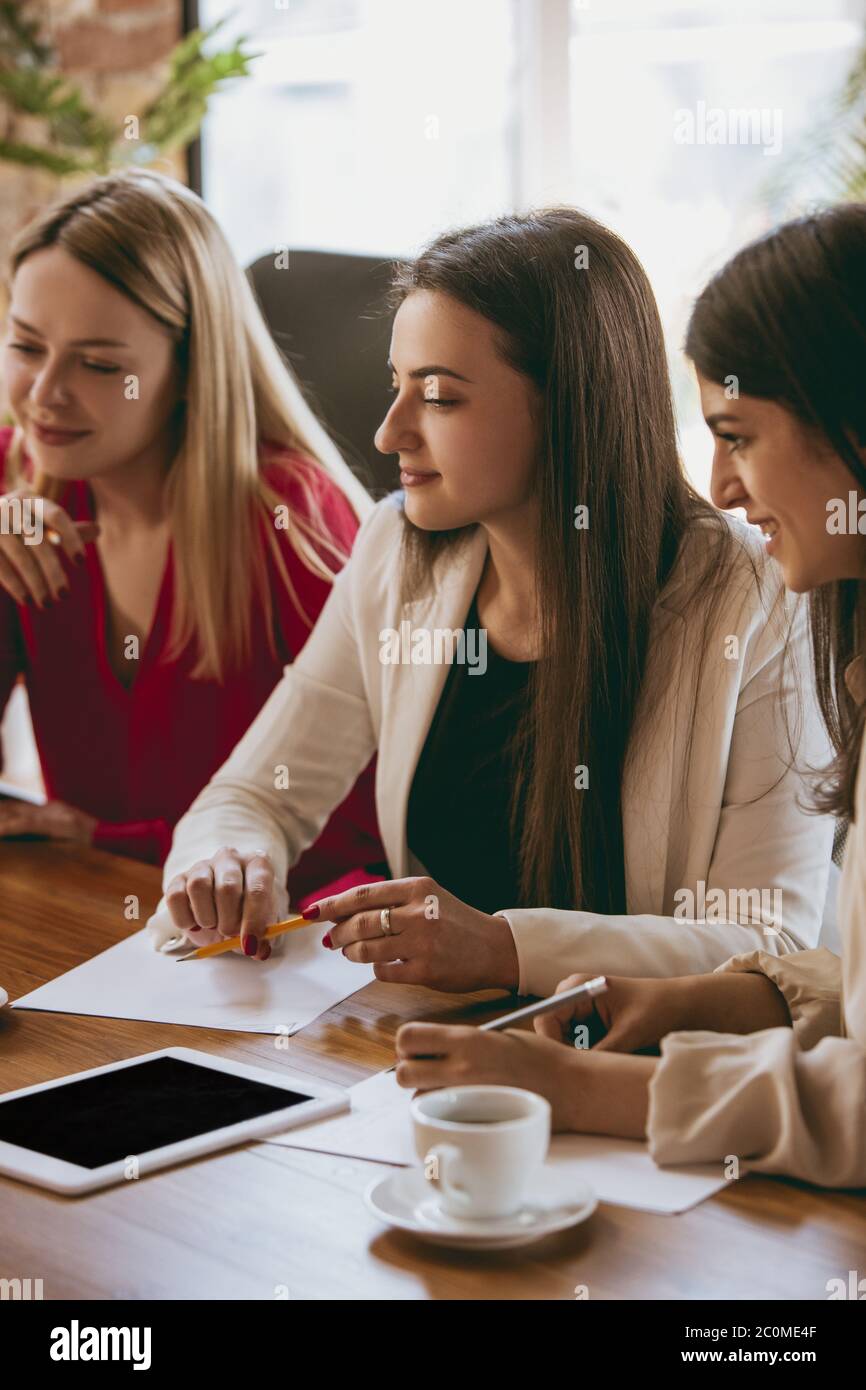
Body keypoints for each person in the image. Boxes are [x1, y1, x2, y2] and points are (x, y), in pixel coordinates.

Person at [150, 207, 832, 984]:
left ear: (573, 402)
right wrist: (229, 858)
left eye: (437, 396)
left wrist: (504, 950)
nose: (389, 432)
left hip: (641, 1075)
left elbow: (771, 946)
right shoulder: (395, 551)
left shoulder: (753, 595)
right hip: (427, 1056)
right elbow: (255, 796)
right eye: (394, 386)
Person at [394, 205, 866, 1189]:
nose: (722, 487)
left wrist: (578, 1090)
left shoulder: (743, 597)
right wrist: (712, 1003)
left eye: (737, 435)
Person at [0, 170, 385, 957]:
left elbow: (359, 821)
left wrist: (113, 837)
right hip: (92, 923)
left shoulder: (289, 518)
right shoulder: (16, 485)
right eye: (24, 346)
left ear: (189, 369)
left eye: (99, 366)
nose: (43, 394)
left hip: (271, 949)